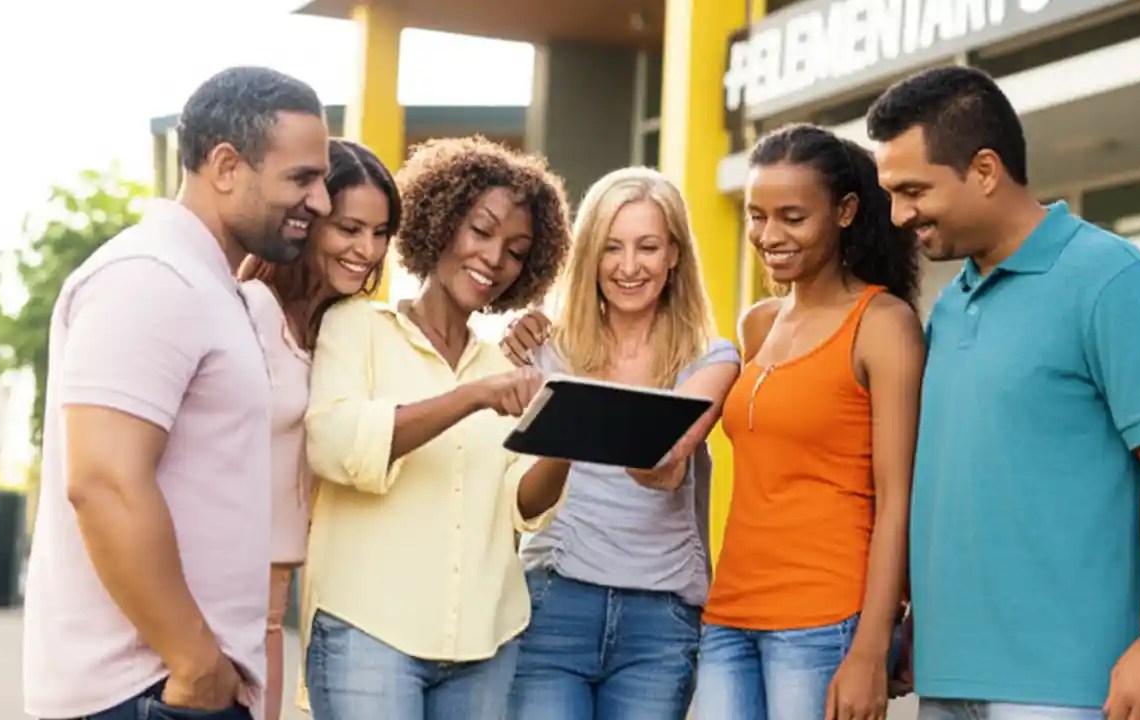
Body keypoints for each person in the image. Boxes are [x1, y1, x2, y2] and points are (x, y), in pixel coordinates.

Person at [866, 66, 1140, 720]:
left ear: (986, 170)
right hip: (948, 675)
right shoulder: (950, 304)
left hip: (1072, 683)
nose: (899, 214)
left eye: (913, 190)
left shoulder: (1112, 279)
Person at [22, 66, 330, 720]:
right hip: (145, 694)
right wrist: (195, 666)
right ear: (225, 166)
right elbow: (103, 481)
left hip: (173, 691)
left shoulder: (210, 288)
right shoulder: (150, 278)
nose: (323, 202)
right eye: (302, 179)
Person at [301, 136, 574, 720]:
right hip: (368, 632)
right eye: (481, 230)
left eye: (517, 250)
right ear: (441, 221)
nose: (495, 259)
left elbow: (521, 505)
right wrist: (469, 398)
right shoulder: (355, 327)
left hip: (486, 640)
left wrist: (569, 441)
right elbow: (337, 444)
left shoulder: (505, 369)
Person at [693, 122, 924, 720]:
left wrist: (873, 647)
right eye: (757, 215)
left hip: (826, 619)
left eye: (793, 217)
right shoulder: (757, 325)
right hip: (729, 613)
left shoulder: (884, 324)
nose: (769, 235)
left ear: (845, 211)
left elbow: (898, 497)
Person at [498, 167, 741, 720]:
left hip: (658, 625)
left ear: (675, 253)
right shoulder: (544, 351)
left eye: (648, 247)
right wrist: (516, 339)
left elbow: (667, 459)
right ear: (589, 257)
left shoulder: (711, 357)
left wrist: (600, 423)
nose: (629, 267)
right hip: (553, 605)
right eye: (611, 248)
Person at [235, 137, 400, 720]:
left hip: (279, 598)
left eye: (380, 234)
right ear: (310, 222)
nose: (368, 250)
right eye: (350, 229)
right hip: (223, 584)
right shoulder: (250, 308)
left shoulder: (344, 330)